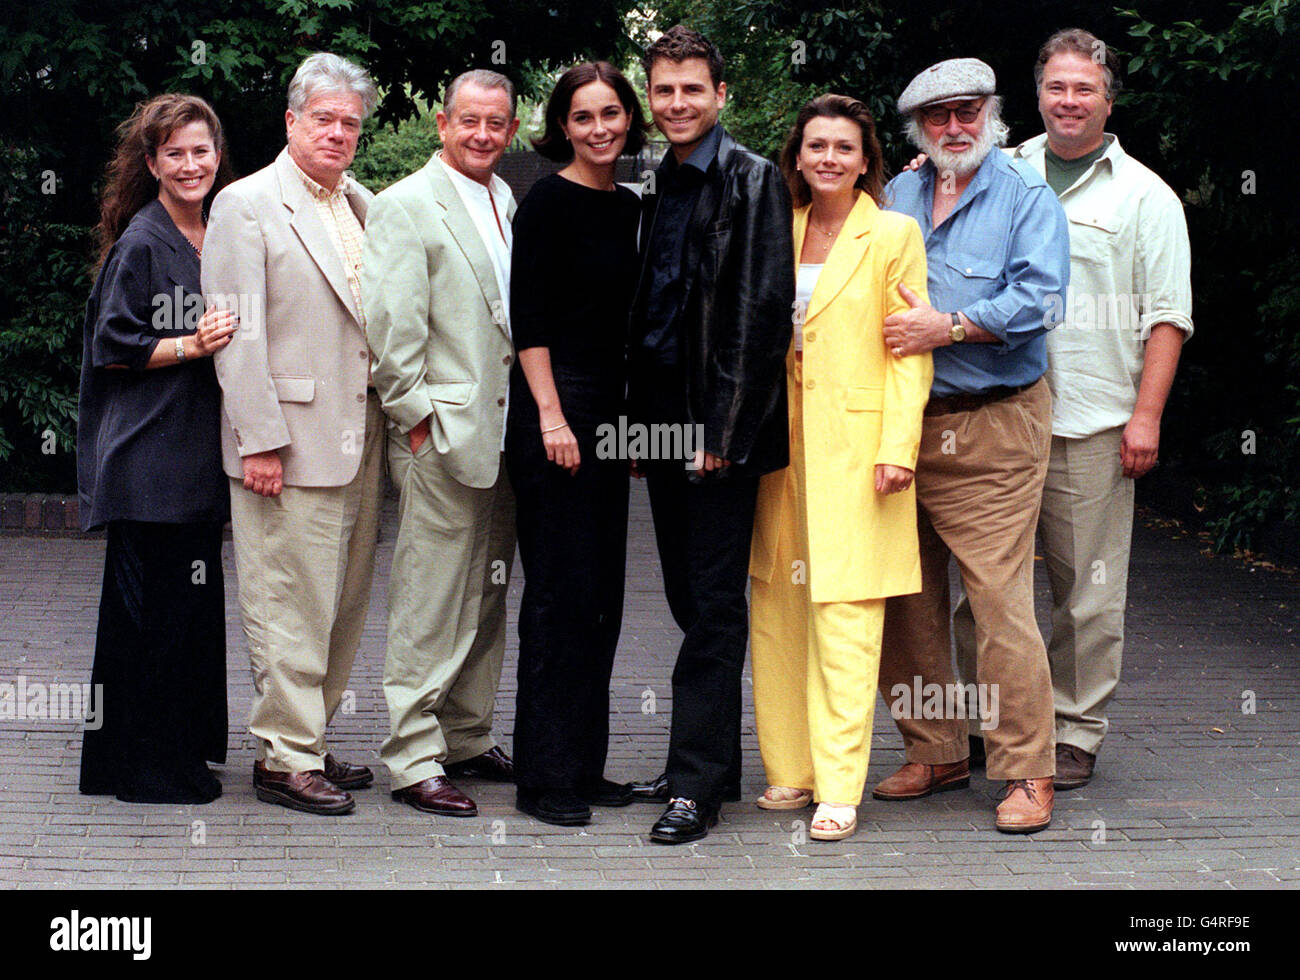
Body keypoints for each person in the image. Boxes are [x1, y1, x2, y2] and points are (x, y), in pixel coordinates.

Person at [953, 29, 1193, 790]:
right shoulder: (996, 170)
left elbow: (1167, 317)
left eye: (1084, 88)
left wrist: (1146, 417)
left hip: (1090, 422)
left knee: (1086, 594)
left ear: (1108, 101)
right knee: (986, 588)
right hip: (995, 413)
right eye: (1056, 86)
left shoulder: (1146, 196)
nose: (1068, 100)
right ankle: (990, 724)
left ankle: (1073, 730)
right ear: (1037, 95)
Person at [871, 58, 1071, 833]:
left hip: (993, 422)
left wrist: (949, 326)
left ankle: (1027, 769)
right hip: (903, 423)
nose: (955, 127)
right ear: (918, 128)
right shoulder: (898, 196)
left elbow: (1042, 300)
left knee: (998, 601)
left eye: (967, 111)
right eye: (938, 116)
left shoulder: (1025, 195)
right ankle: (937, 750)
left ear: (991, 113)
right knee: (907, 597)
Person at [626, 25, 795, 844]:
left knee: (716, 605)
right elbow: (652, 310)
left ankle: (696, 788)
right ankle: (709, 763)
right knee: (689, 599)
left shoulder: (753, 179)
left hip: (717, 425)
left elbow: (761, 314)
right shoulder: (657, 181)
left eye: (692, 88)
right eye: (664, 89)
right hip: (661, 424)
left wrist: (723, 432)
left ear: (720, 95)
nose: (677, 102)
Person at [748, 94, 932, 841]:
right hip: (779, 448)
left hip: (858, 450)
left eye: (844, 147)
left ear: (865, 160)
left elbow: (909, 350)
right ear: (797, 156)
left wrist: (897, 447)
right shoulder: (777, 224)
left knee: (847, 614)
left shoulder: (893, 233)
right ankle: (790, 768)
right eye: (816, 145)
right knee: (778, 605)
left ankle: (839, 785)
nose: (828, 158)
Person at [203, 52, 383, 815]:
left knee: (341, 603)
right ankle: (282, 757)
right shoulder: (244, 205)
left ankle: (307, 737)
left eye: (350, 123)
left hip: (360, 432)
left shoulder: (361, 203)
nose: (338, 133)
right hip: (285, 440)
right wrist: (259, 439)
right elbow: (237, 333)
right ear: (291, 120)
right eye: (324, 119)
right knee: (287, 602)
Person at [361, 69, 520, 818]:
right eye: (469, 121)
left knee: (486, 593)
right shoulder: (404, 205)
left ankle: (464, 734)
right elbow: (392, 330)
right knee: (429, 600)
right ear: (442, 124)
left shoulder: (504, 198)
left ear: (511, 129)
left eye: (496, 123)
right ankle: (412, 755)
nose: (482, 134)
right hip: (441, 436)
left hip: (502, 433)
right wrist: (416, 420)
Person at [77, 93, 238, 803]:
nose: (190, 164)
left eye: (200, 150)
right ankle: (144, 771)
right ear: (152, 164)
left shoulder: (217, 229)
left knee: (186, 612)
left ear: (217, 156)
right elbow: (111, 345)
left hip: (193, 459)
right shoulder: (144, 241)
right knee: (152, 616)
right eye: (175, 153)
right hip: (149, 460)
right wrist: (189, 345)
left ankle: (177, 751)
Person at [504, 62, 646, 826]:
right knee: (559, 597)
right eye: (583, 116)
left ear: (629, 119)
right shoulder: (546, 203)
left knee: (601, 599)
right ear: (562, 125)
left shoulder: (630, 206)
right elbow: (529, 320)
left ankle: (584, 767)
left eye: (611, 113)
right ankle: (543, 778)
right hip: (555, 412)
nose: (599, 128)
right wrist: (553, 416)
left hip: (611, 414)